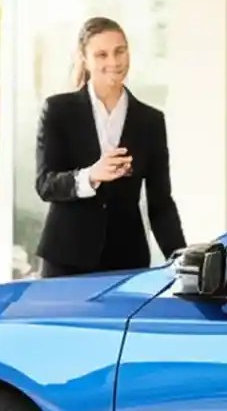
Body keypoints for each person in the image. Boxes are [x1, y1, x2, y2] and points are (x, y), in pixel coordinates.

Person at [34, 16, 186, 278]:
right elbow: (45, 184)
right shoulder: (58, 111)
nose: (114, 62)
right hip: (65, 259)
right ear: (84, 59)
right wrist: (90, 176)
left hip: (126, 260)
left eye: (120, 51)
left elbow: (160, 203)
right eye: (101, 55)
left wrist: (183, 261)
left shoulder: (150, 121)